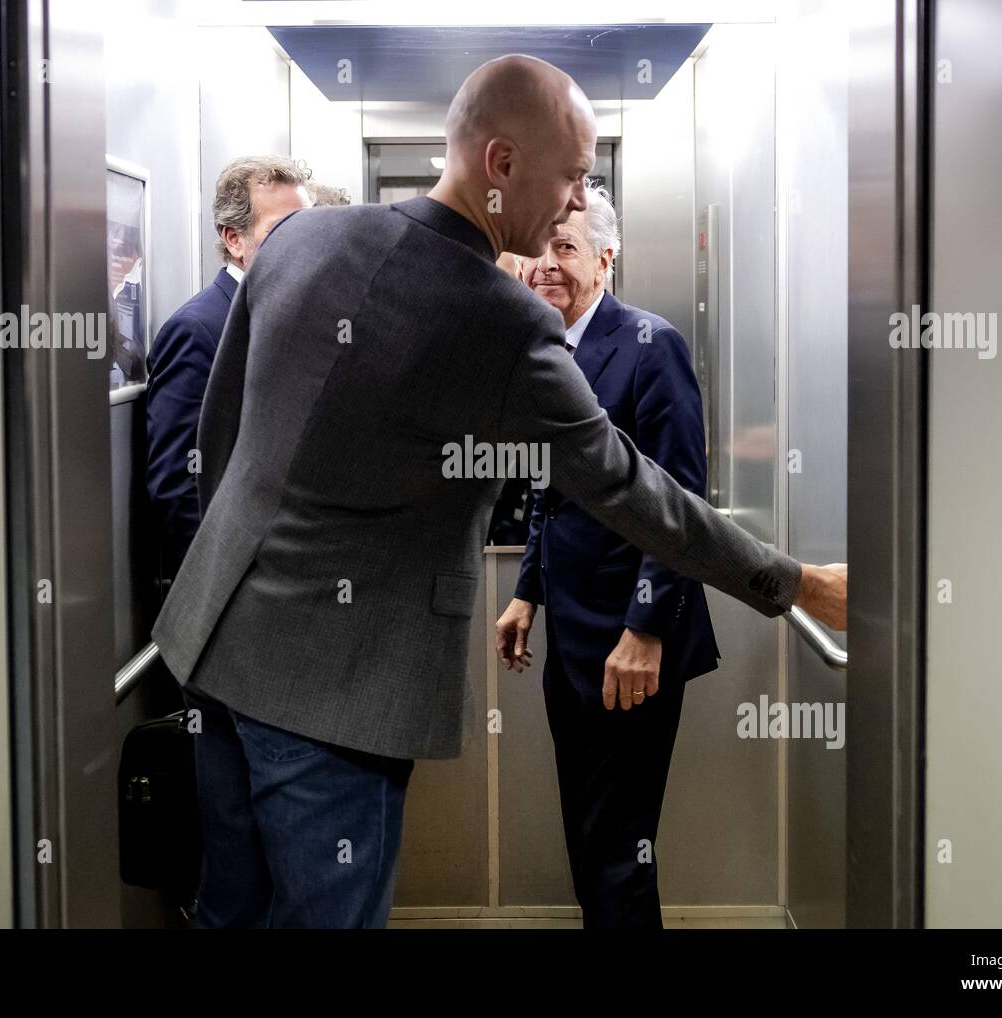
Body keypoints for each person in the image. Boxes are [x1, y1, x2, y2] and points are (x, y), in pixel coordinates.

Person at [151, 53, 847, 929]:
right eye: (572, 177)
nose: (573, 203)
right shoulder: (505, 322)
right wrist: (797, 583)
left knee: (227, 917)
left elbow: (226, 434)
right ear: (503, 165)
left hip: (211, 648)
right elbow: (637, 492)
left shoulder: (299, 239)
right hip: (332, 700)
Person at [496, 182, 716, 927]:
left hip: (633, 641)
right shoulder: (546, 351)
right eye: (541, 249)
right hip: (573, 638)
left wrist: (647, 631)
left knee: (621, 848)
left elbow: (682, 504)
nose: (548, 265)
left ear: (606, 258)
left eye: (567, 248)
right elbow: (549, 489)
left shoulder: (652, 347)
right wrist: (528, 590)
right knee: (589, 837)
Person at [145, 155, 313, 584]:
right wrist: (228, 591)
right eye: (282, 230)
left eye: (307, 229)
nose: (303, 244)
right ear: (234, 239)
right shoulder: (198, 329)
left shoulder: (293, 316)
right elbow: (180, 486)